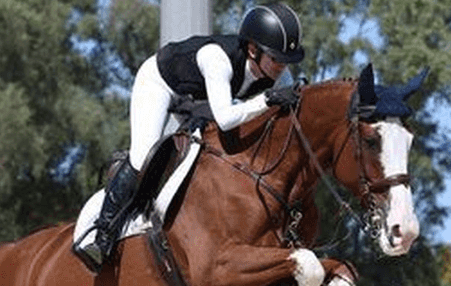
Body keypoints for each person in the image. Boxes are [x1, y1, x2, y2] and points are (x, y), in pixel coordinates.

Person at [72, 2, 306, 272]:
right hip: (161, 84)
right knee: (143, 156)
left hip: (199, 101)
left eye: (286, 61)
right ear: (253, 50)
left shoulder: (277, 73)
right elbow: (226, 118)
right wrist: (267, 100)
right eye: (276, 59)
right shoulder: (217, 58)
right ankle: (101, 232)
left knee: (213, 157)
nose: (282, 68)